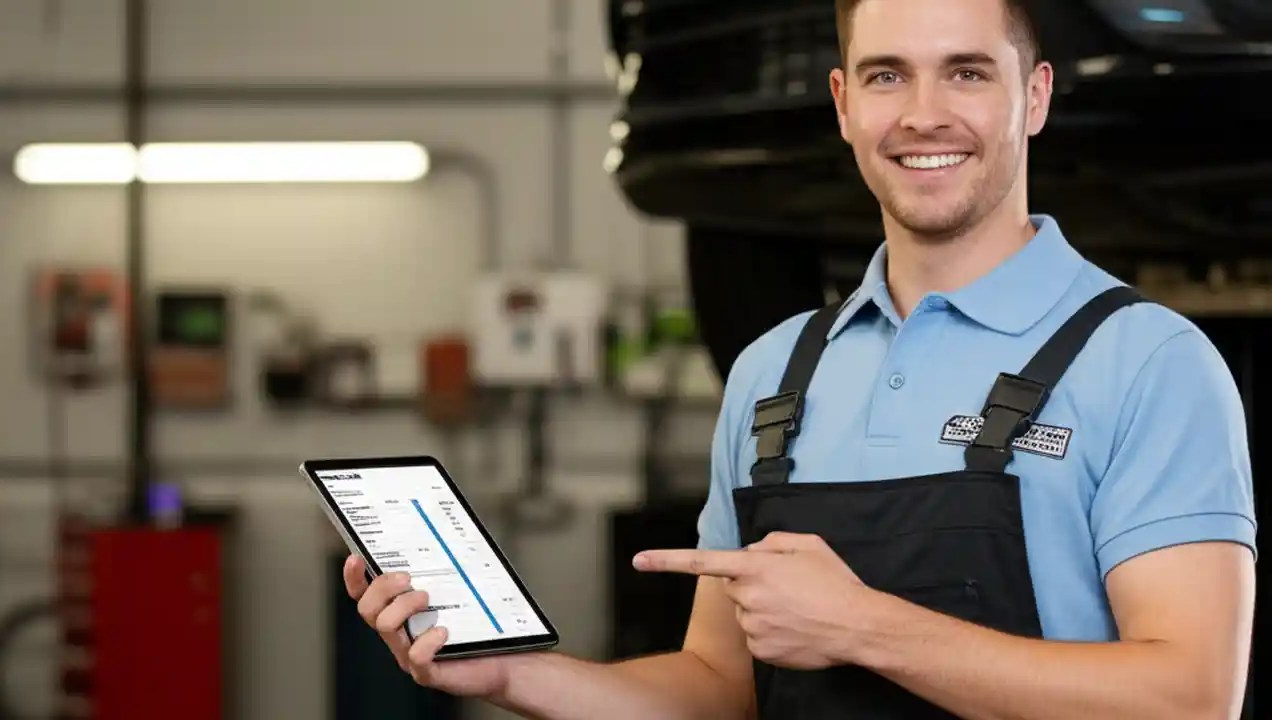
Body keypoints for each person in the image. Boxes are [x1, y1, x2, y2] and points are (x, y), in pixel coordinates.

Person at [344, 0, 1258, 716]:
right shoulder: (776, 375)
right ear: (844, 104)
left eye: (968, 73)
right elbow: (717, 690)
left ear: (1036, 96)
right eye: (887, 76)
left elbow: (1186, 699)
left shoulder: (1148, 362)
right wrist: (512, 677)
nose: (924, 115)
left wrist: (865, 628)